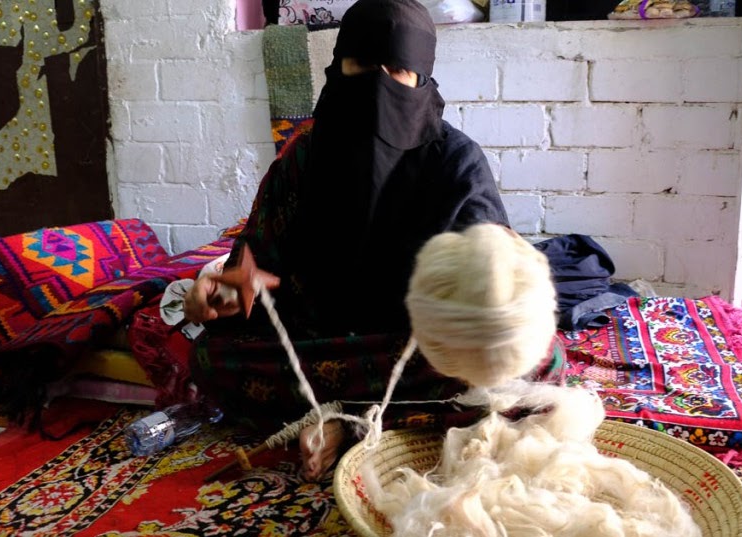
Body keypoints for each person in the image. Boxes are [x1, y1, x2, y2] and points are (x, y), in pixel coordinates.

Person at [183, 0, 512, 481]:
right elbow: (254, 272)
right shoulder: (302, 159)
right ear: (337, 69)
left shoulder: (456, 163)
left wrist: (489, 302)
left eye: (397, 69)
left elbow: (496, 288)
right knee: (209, 358)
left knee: (524, 361)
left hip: (413, 344)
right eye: (360, 66)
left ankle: (348, 421)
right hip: (315, 336)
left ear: (422, 80)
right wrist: (217, 295)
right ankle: (379, 418)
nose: (376, 86)